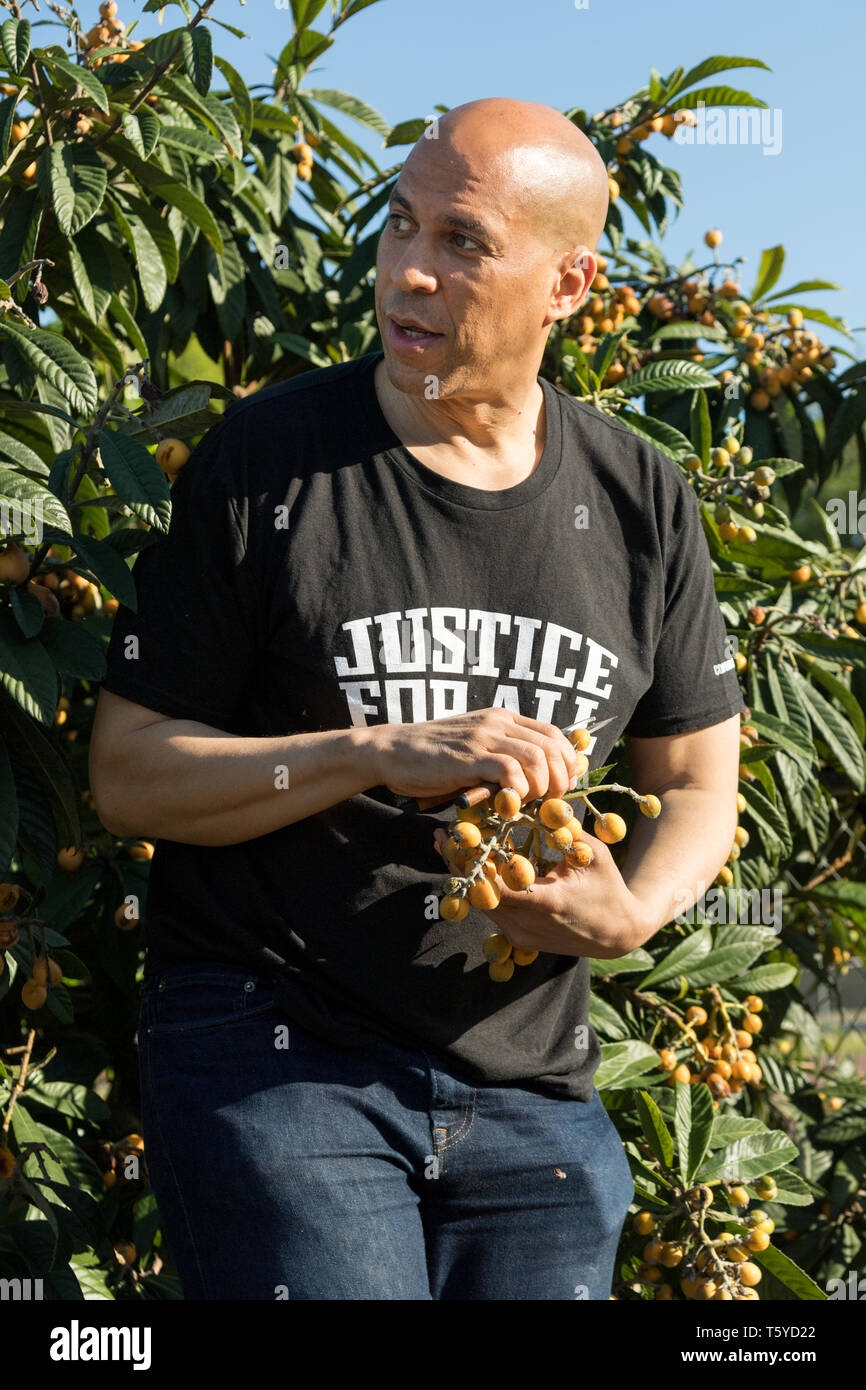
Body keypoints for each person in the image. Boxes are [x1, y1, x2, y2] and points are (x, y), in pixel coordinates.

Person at [89, 97, 744, 1301]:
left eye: (462, 242)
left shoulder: (641, 496)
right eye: (399, 226)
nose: (409, 271)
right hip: (278, 1060)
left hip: (534, 1096)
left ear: (567, 285)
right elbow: (129, 772)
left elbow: (698, 781)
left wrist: (632, 908)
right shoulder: (267, 462)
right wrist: (369, 748)